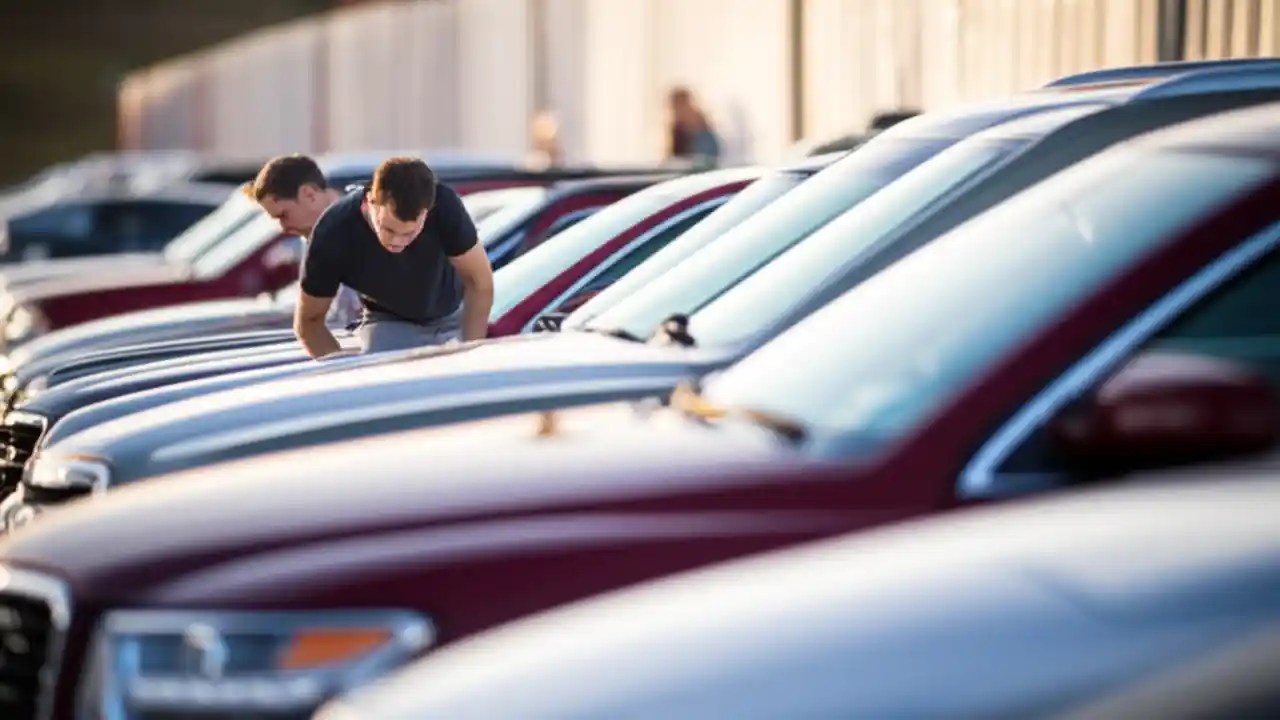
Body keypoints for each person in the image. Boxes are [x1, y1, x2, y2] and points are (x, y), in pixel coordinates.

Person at [272, 156, 493, 358]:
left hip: (454, 314)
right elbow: (308, 322)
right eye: (387, 229)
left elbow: (479, 282)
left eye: (409, 233)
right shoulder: (334, 231)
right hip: (388, 321)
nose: (397, 241)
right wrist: (345, 371)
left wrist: (471, 351)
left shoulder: (445, 206)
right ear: (370, 202)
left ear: (427, 212)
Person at [245, 154, 362, 332]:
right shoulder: (314, 238)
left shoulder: (366, 230)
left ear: (309, 194)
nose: (283, 228)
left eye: (284, 215)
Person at [667, 86, 722, 167]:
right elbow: (676, 156)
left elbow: (710, 158)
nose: (676, 113)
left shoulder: (703, 128)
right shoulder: (678, 129)